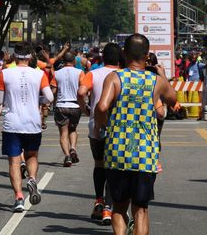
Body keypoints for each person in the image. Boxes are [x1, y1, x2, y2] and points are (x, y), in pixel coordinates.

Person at [95, 34, 178, 235]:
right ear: (147, 56)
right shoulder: (156, 81)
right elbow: (172, 99)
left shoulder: (115, 78)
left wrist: (105, 125)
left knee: (119, 206)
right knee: (141, 209)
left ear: (124, 53)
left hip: (118, 150)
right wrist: (163, 75)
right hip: (145, 153)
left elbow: (102, 106)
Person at [0, 42, 54, 212]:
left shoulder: (5, 73)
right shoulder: (39, 74)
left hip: (12, 123)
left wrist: (7, 100)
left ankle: (19, 198)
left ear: (14, 56)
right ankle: (33, 179)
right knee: (32, 156)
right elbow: (49, 97)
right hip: (32, 122)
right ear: (30, 57)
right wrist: (40, 100)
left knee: (14, 161)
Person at [77, 42, 121, 225]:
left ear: (103, 58)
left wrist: (85, 108)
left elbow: (81, 92)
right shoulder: (122, 75)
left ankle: (99, 201)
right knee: (113, 168)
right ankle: (109, 209)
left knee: (99, 164)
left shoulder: (92, 74)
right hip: (118, 127)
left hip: (96, 126)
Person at [53, 52, 84, 167]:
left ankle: (67, 156)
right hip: (75, 105)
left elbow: (54, 91)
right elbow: (83, 89)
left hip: (61, 105)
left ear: (63, 61)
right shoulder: (80, 73)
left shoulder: (56, 73)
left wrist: (51, 102)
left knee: (63, 132)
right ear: (74, 61)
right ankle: (72, 148)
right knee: (73, 129)